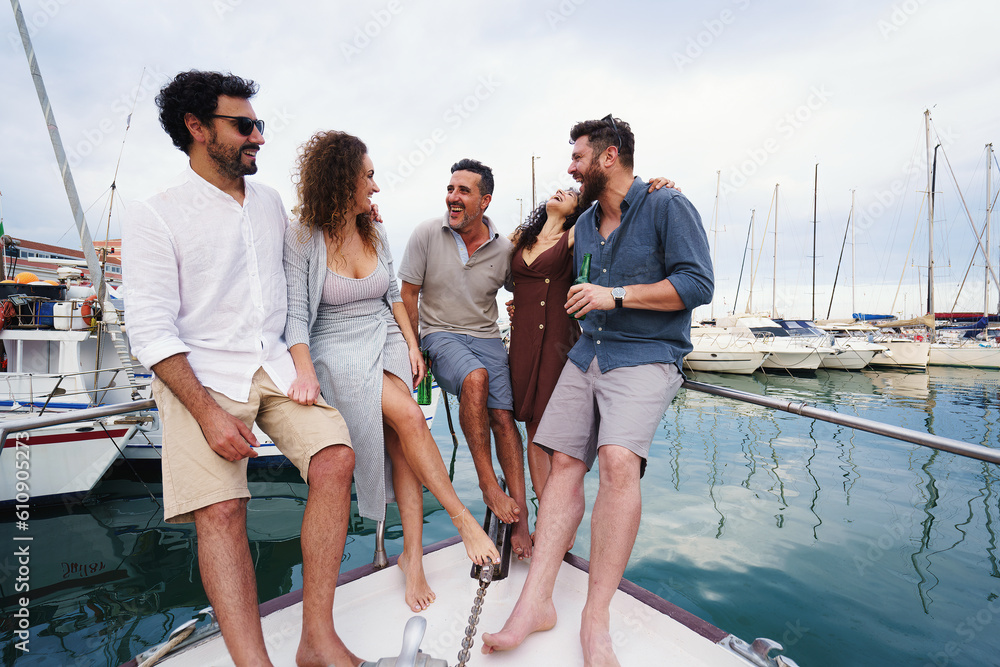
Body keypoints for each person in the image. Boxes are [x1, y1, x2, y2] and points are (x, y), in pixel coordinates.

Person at [123, 71, 361, 667]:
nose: (258, 136)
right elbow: (150, 331)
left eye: (259, 124)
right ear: (197, 128)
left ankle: (317, 640)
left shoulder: (271, 204)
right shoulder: (156, 215)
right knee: (223, 509)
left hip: (272, 364)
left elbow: (304, 278)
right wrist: (205, 413)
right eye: (243, 125)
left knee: (335, 458)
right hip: (199, 374)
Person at [482, 116, 714, 665]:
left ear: (608, 158)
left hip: (647, 355)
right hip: (587, 354)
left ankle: (596, 617)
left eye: (578, 157)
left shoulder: (666, 206)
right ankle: (536, 603)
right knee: (560, 461)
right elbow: (546, 271)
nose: (570, 167)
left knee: (616, 461)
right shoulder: (583, 223)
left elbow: (697, 283)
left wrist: (617, 296)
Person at [282, 131, 500, 612]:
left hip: (383, 334)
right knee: (407, 414)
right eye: (369, 176)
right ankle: (463, 517)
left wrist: (411, 342)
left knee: (405, 443)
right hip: (334, 343)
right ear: (344, 180)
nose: (376, 187)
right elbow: (297, 315)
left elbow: (392, 297)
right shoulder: (303, 236)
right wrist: (302, 371)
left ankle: (413, 559)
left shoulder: (374, 230)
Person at [508, 176, 676, 501]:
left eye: (570, 193)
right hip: (522, 340)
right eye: (559, 189)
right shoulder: (522, 237)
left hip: (556, 337)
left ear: (578, 209)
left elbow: (614, 208)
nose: (561, 191)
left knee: (549, 433)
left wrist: (656, 186)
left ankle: (550, 514)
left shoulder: (575, 233)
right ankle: (542, 507)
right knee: (530, 427)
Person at [398, 159, 533, 559]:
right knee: (475, 379)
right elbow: (407, 294)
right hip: (439, 333)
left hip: (487, 336)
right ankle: (488, 483)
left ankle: (522, 521)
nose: (452, 198)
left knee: (505, 419)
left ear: (484, 201)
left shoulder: (505, 248)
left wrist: (519, 310)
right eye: (450, 189)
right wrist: (415, 347)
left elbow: (521, 287)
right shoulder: (426, 233)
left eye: (463, 192)